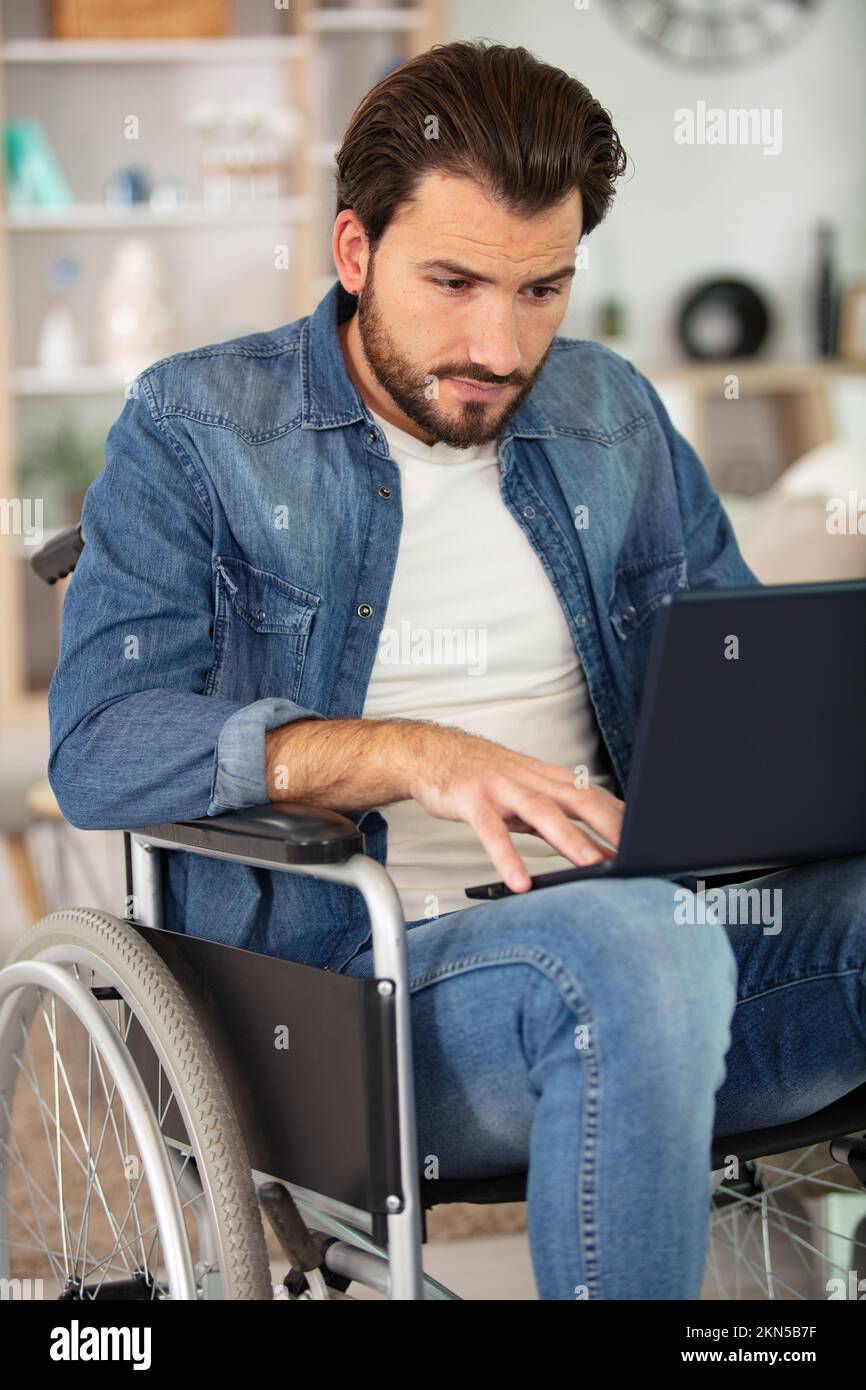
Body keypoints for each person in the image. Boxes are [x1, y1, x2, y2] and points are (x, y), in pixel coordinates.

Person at [48, 40, 866, 1299]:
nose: (498, 342)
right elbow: (101, 742)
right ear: (352, 253)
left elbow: (745, 684)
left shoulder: (611, 416)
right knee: (634, 944)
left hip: (680, 950)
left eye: (542, 289)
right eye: (453, 281)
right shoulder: (198, 428)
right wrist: (412, 754)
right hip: (362, 1002)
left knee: (662, 933)